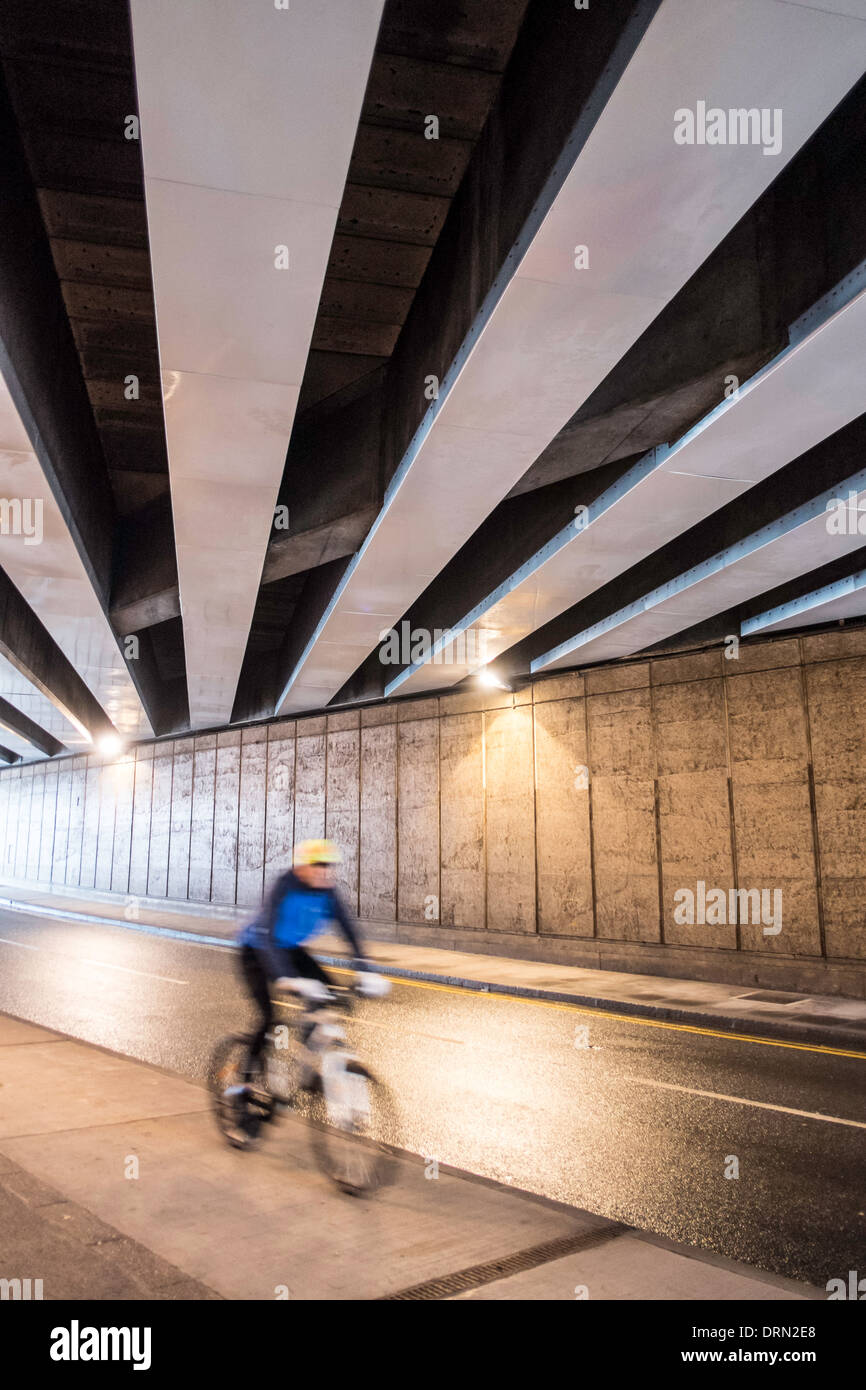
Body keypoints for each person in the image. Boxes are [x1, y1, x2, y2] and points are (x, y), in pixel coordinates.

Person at [233, 839, 384, 1141]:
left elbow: (350, 933)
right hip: (257, 950)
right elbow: (266, 933)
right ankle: (244, 1088)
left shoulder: (328, 893)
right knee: (267, 1018)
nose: (325, 873)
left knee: (328, 996)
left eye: (329, 867)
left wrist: (366, 970)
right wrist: (288, 978)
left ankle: (304, 1061)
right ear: (302, 867)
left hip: (291, 950)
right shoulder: (283, 887)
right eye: (318, 866)